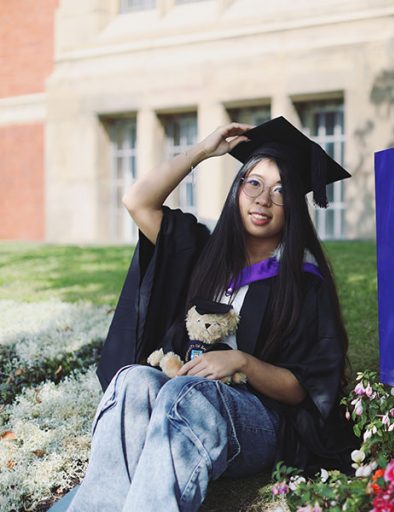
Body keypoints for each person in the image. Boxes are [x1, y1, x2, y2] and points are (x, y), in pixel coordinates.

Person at [68, 117, 357, 511]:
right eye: (253, 183)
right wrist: (201, 151)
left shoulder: (303, 280)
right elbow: (137, 201)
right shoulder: (205, 253)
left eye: (281, 190)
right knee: (133, 380)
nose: (263, 199)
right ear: (236, 188)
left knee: (185, 394)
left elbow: (305, 387)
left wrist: (242, 362)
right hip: (182, 397)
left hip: (260, 420)